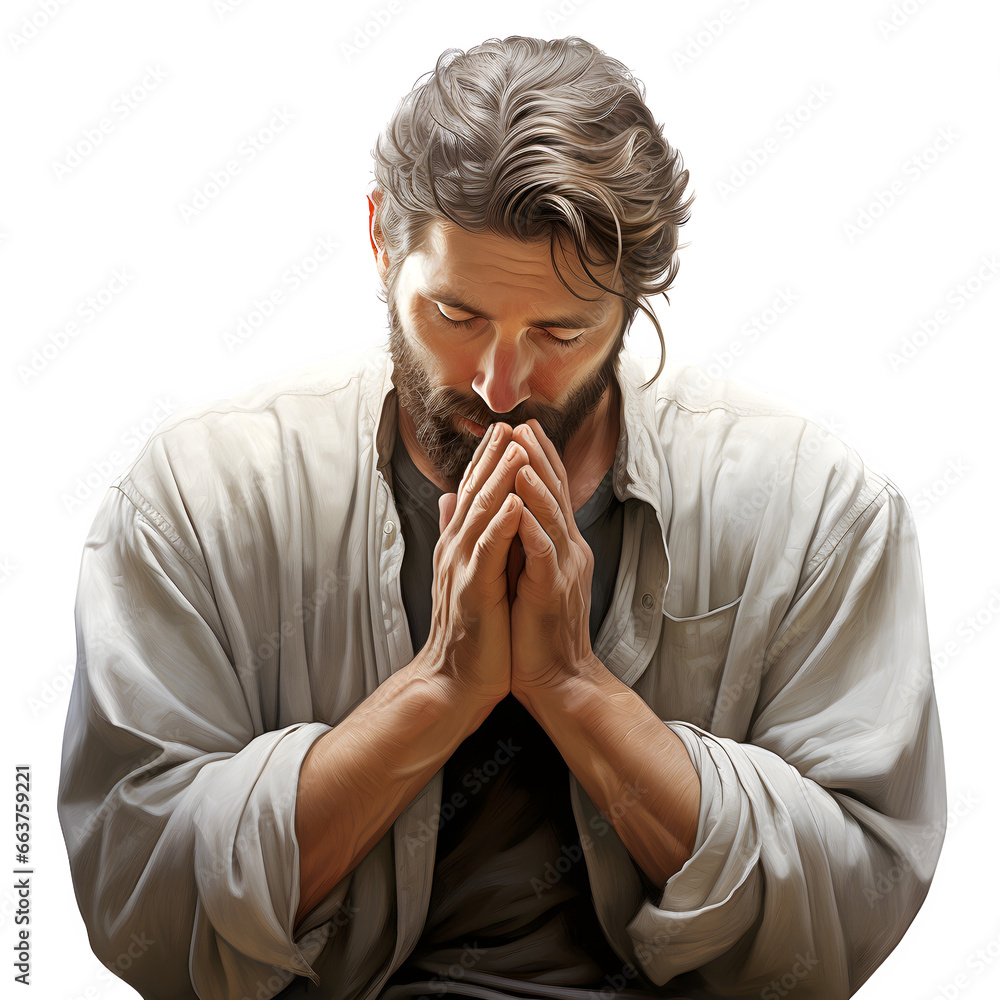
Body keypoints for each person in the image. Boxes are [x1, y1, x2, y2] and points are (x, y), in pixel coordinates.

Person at [58, 35, 946, 1000]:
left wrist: (573, 686)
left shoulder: (817, 515)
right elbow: (137, 894)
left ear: (634, 299)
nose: (499, 383)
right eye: (455, 315)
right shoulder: (197, 500)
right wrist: (442, 688)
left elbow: (856, 902)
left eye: (561, 333)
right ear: (376, 239)